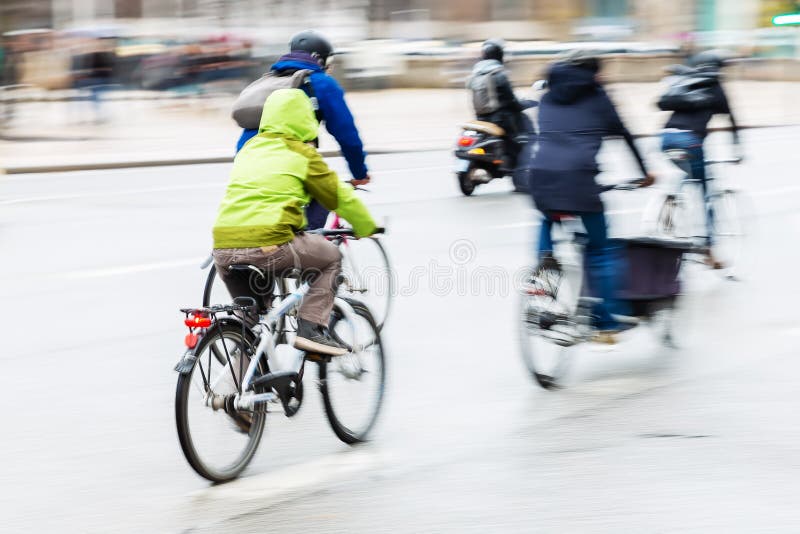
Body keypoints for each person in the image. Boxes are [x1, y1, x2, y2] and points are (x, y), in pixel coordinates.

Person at [213, 88, 377, 356]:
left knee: (251, 326)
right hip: (269, 244)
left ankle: (237, 381)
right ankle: (310, 329)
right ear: (305, 120)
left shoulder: (250, 149)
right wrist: (366, 226)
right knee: (331, 258)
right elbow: (339, 197)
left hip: (223, 247)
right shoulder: (302, 153)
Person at [528, 50, 656, 342]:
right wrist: (644, 172)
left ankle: (544, 268)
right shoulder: (599, 98)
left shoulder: (546, 96)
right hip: (580, 180)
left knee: (548, 217)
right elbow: (623, 134)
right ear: (593, 73)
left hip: (541, 176)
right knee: (601, 251)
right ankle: (606, 323)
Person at [236, 30, 370, 230]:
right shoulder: (321, 83)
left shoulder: (268, 82)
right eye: (329, 62)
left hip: (245, 161)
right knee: (324, 191)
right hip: (288, 161)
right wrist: (359, 173)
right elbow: (347, 135)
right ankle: (308, 241)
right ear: (320, 59)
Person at [660, 50, 741, 269]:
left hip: (665, 138)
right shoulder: (715, 87)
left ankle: (672, 197)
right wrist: (737, 148)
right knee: (706, 192)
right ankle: (708, 249)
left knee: (688, 171)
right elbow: (731, 119)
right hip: (691, 142)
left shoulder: (688, 83)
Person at [466, 38, 535, 171]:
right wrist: (524, 104)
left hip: (480, 118)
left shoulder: (475, 74)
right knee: (518, 138)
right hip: (500, 119)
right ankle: (517, 168)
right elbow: (511, 100)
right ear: (500, 55)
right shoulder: (499, 73)